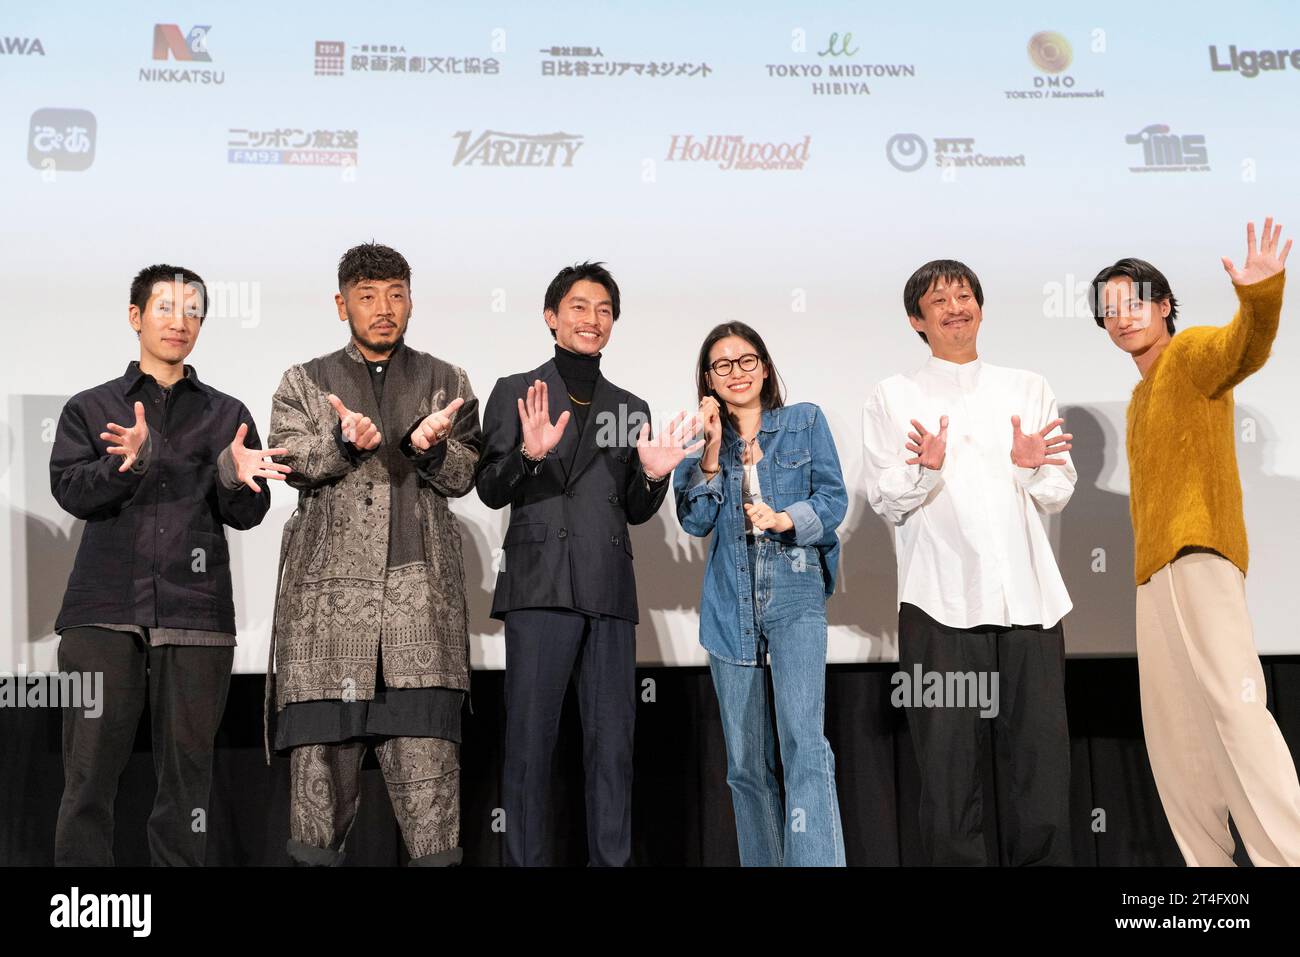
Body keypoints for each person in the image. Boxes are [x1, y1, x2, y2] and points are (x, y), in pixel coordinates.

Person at [50, 264, 286, 865]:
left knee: (187, 786)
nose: (179, 322)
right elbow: (72, 491)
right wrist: (123, 465)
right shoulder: (91, 407)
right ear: (136, 317)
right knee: (88, 780)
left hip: (196, 618)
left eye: (193, 311)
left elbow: (247, 513)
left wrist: (234, 477)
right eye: (165, 308)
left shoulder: (226, 413)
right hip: (104, 615)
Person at [1088, 218, 1300, 866]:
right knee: (1177, 743)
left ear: (1165, 305)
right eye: (1109, 311)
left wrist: (1260, 297)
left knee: (1237, 718)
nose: (1122, 318)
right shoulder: (1137, 396)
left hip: (1199, 558)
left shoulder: (1189, 356)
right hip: (1155, 576)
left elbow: (1243, 348)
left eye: (1134, 302)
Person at [476, 261, 699, 866]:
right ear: (551, 318)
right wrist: (527, 453)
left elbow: (632, 508)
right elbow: (491, 489)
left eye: (603, 310)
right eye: (578, 306)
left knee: (613, 751)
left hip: (606, 590)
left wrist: (653, 476)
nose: (591, 319)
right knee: (528, 744)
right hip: (538, 588)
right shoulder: (513, 391)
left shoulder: (629, 406)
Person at [267, 243, 483, 866]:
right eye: (366, 297)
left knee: (435, 836)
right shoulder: (302, 381)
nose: (383, 309)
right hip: (324, 633)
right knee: (315, 834)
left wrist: (430, 449)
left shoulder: (448, 380)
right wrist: (341, 443)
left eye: (395, 295)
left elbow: (467, 472)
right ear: (342, 305)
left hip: (423, 633)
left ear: (411, 300)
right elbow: (289, 459)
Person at [863, 260, 1076, 865]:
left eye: (964, 296)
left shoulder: (1027, 386)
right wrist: (921, 468)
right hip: (939, 606)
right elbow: (884, 498)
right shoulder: (892, 395)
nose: (955, 307)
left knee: (1043, 772)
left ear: (980, 307)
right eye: (939, 301)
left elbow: (1057, 492)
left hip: (1029, 604)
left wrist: (1032, 464)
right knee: (949, 776)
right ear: (917, 321)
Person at [673, 322, 848, 866]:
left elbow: (833, 500)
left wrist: (785, 519)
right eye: (723, 365)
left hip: (793, 586)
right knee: (746, 766)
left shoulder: (805, 421)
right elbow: (695, 520)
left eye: (746, 361)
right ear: (708, 379)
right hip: (730, 600)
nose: (737, 373)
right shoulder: (698, 438)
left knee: (804, 747)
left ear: (765, 368)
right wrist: (708, 453)